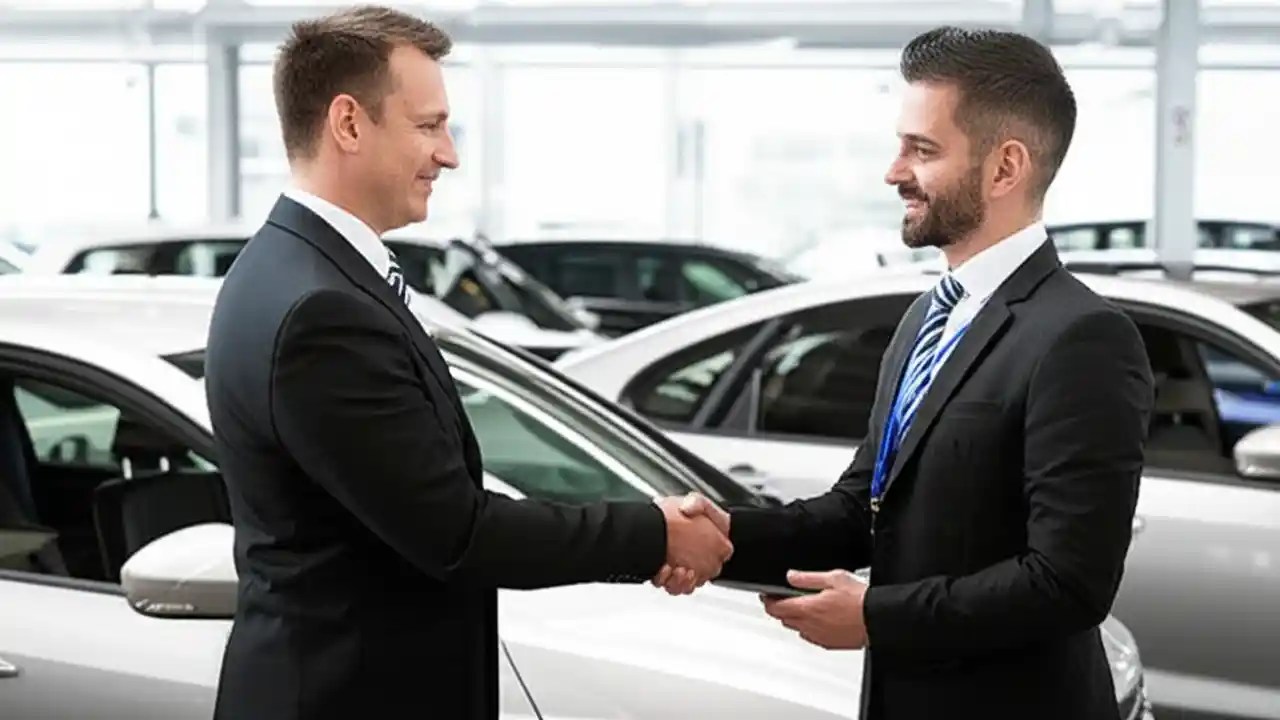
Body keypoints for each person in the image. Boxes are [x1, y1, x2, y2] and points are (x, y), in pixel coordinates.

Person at [203, 7, 731, 720]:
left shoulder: (288, 269)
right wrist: (654, 533)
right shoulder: (320, 309)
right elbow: (458, 533)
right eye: (429, 126)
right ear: (349, 123)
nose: (447, 155)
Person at [660, 26, 1155, 720]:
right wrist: (717, 537)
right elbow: (860, 511)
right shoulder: (928, 315)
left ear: (1005, 169)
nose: (894, 172)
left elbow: (1068, 583)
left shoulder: (1082, 338)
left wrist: (875, 616)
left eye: (922, 150)